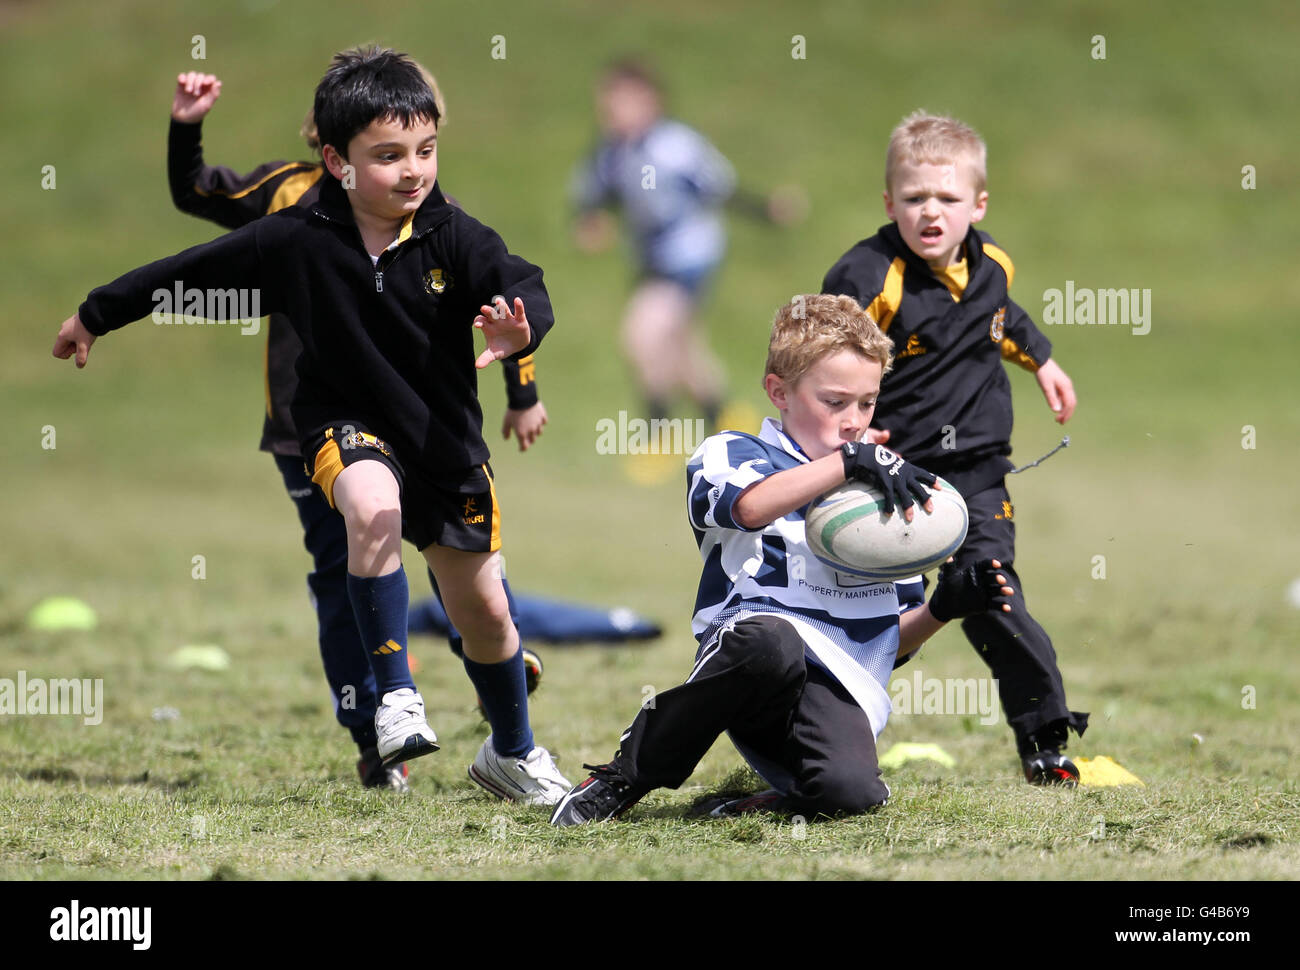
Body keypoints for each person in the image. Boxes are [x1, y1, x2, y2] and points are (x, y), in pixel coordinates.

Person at [55, 45, 571, 806]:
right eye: (389, 155)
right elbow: (189, 269)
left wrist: (521, 340)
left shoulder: (453, 235)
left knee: (489, 617)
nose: (413, 171)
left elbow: (521, 285)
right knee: (370, 510)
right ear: (337, 160)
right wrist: (96, 313)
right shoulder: (295, 237)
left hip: (444, 448)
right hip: (341, 426)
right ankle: (394, 701)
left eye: (425, 151)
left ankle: (512, 752)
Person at [550, 294, 1014, 825]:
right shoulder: (736, 451)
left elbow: (887, 643)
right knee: (771, 641)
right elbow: (748, 508)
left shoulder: (881, 493)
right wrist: (849, 463)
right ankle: (623, 777)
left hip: (834, 683)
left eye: (866, 403)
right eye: (835, 402)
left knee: (852, 795)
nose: (853, 422)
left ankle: (764, 801)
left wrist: (943, 608)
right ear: (779, 392)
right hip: (751, 663)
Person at [820, 111, 1088, 785]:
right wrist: (846, 431)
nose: (930, 212)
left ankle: (1046, 743)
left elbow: (1002, 319)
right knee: (877, 617)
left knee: (994, 592)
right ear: (890, 203)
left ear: (978, 204)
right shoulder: (866, 276)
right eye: (914, 199)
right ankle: (823, 730)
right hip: (893, 477)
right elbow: (822, 360)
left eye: (946, 198)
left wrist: (1044, 363)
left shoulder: (991, 262)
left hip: (976, 471)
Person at [570, 58, 802, 434]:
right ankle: (728, 420)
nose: (610, 111)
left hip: (690, 255)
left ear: (649, 101)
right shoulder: (611, 152)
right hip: (650, 259)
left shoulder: (675, 146)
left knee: (642, 335)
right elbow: (595, 195)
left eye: (620, 102)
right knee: (683, 351)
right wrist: (590, 221)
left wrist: (766, 210)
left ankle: (658, 432)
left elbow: (718, 189)